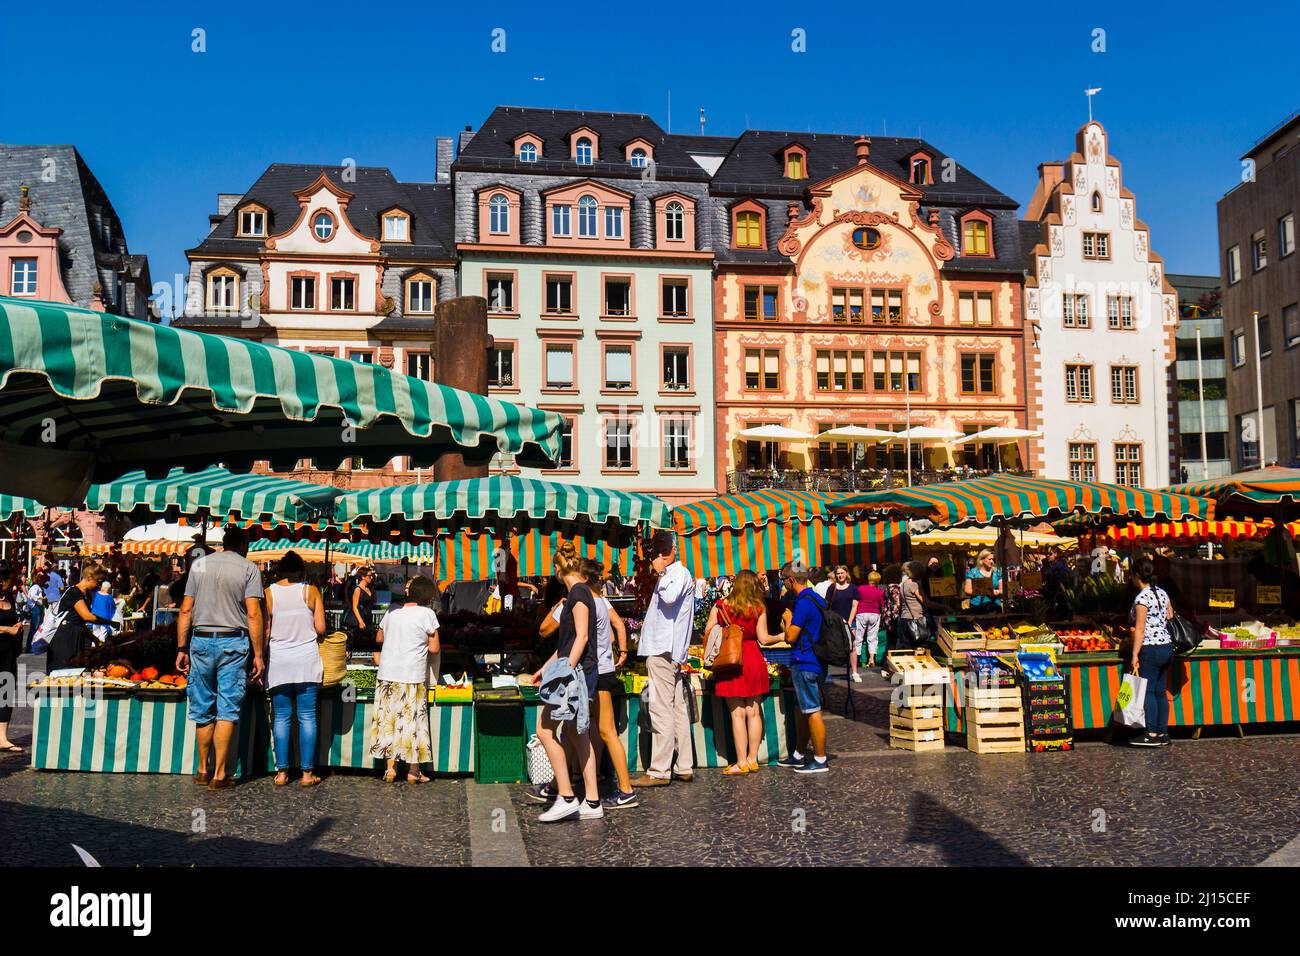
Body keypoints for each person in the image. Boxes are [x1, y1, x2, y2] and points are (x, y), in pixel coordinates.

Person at [176, 527, 265, 791]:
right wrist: (258, 654)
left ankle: (203, 769)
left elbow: (185, 609)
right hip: (232, 641)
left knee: (203, 707)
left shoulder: (199, 565)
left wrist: (181, 648)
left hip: (200, 639)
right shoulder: (249, 568)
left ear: (224, 543)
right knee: (227, 707)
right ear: (243, 544)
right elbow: (253, 615)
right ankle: (220, 774)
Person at [531, 543, 602, 821]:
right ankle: (593, 802)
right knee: (576, 733)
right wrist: (546, 667)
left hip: (577, 674)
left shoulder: (578, 594)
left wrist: (564, 672)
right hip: (577, 671)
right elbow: (568, 643)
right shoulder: (579, 593)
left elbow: (583, 637)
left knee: (545, 729)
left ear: (557, 569)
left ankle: (566, 795)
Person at [628, 530, 696, 789]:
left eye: (663, 550)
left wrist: (660, 571)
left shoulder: (677, 573)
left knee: (661, 710)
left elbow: (668, 598)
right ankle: (684, 765)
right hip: (669, 651)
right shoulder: (677, 574)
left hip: (663, 651)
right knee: (676, 708)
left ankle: (659, 770)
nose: (663, 554)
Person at [264, 551, 327, 788]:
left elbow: (266, 630)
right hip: (306, 661)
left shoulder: (269, 593)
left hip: (279, 662)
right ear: (301, 570)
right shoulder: (310, 591)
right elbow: (320, 628)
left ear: (280, 570)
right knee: (307, 716)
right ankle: (307, 774)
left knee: (281, 717)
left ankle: (282, 773)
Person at [370, 575, 440, 783]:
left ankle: (390, 770)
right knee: (413, 721)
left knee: (389, 721)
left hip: (387, 673)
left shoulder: (392, 611)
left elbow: (379, 639)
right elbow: (434, 648)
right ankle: (413, 771)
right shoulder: (427, 614)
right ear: (428, 595)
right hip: (412, 674)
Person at [706, 570, 776, 774]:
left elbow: (709, 632)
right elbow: (763, 639)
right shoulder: (758, 607)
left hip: (731, 659)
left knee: (737, 714)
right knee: (753, 712)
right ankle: (753, 760)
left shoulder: (720, 606)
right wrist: (780, 635)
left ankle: (741, 762)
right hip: (753, 658)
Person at [777, 563, 830, 774]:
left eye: (783, 579)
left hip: (806, 662)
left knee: (812, 711)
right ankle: (799, 755)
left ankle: (820, 759)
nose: (782, 584)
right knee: (803, 711)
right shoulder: (817, 598)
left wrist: (788, 618)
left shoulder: (803, 603)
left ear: (791, 580)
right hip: (816, 661)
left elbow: (791, 636)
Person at [1128, 557, 1175, 748]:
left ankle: (1151, 733)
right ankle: (1163, 732)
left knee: (1148, 692)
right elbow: (1170, 615)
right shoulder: (1162, 593)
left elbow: (1139, 629)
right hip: (1167, 647)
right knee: (1160, 692)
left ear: (1136, 575)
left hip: (1151, 648)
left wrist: (1134, 654)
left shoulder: (1141, 598)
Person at [46, 562, 116, 671]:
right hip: (65, 638)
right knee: (63, 672)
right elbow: (87, 617)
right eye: (99, 581)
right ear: (89, 578)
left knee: (75, 672)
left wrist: (95, 639)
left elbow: (81, 623)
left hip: (76, 635)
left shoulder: (86, 595)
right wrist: (110, 622)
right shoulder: (74, 592)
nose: (99, 585)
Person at [0, 579, 24, 754]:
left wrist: (18, 626)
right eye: (10, 581)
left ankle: (2, 738)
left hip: (8, 653)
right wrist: (7, 630)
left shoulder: (9, 596)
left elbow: (13, 618)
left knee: (5, 693)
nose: (14, 586)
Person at [852, 571, 885, 683]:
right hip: (875, 614)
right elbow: (882, 605)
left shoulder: (860, 588)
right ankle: (871, 658)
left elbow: (855, 601)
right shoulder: (880, 591)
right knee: (872, 637)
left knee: (859, 638)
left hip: (861, 613)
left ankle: (857, 661)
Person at [825, 565, 858, 671]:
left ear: (846, 573)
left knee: (852, 646)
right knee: (834, 644)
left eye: (842, 573)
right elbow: (827, 605)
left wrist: (849, 621)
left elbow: (854, 607)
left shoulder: (853, 588)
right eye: (838, 573)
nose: (840, 575)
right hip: (835, 622)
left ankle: (854, 672)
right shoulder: (832, 588)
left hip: (850, 621)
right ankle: (832, 669)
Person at [344, 567, 376, 645]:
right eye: (369, 575)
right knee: (357, 643)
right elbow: (354, 607)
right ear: (363, 577)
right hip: (360, 620)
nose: (371, 577)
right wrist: (360, 621)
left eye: (372, 575)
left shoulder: (369, 588)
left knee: (371, 643)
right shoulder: (357, 589)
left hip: (368, 619)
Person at [24, 573, 45, 653]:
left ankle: (32, 646)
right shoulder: (35, 587)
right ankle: (29, 647)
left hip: (37, 607)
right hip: (36, 607)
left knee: (36, 628)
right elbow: (32, 596)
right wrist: (40, 598)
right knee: (34, 628)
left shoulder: (37, 587)